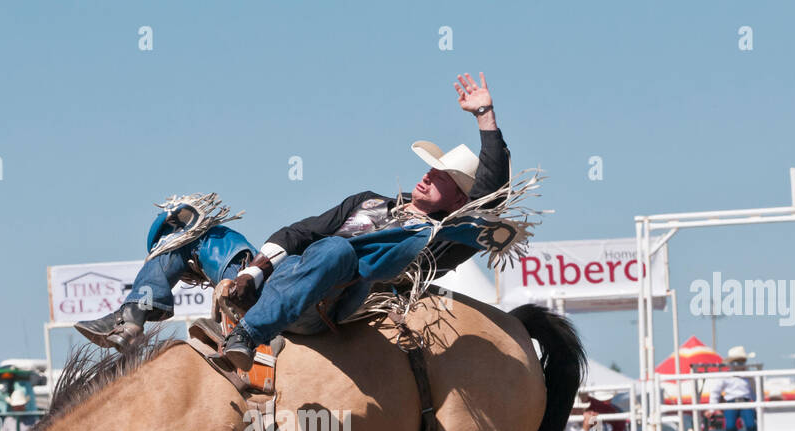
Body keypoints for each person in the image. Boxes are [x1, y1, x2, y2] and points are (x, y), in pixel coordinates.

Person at [78, 72, 523, 366]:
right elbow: (299, 232)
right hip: (276, 278)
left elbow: (491, 200)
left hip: (327, 302)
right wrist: (253, 271)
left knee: (336, 249)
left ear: (460, 198)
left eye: (443, 176)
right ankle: (132, 317)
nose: (428, 173)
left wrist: (485, 116)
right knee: (194, 227)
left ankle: (247, 338)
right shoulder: (370, 201)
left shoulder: (438, 237)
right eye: (431, 167)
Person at [707, 345, 758, 431]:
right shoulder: (726, 376)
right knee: (730, 427)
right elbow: (715, 392)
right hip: (730, 403)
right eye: (737, 362)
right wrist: (712, 408)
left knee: (751, 426)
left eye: (741, 362)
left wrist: (757, 405)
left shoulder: (748, 376)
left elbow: (754, 392)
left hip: (745, 402)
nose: (740, 365)